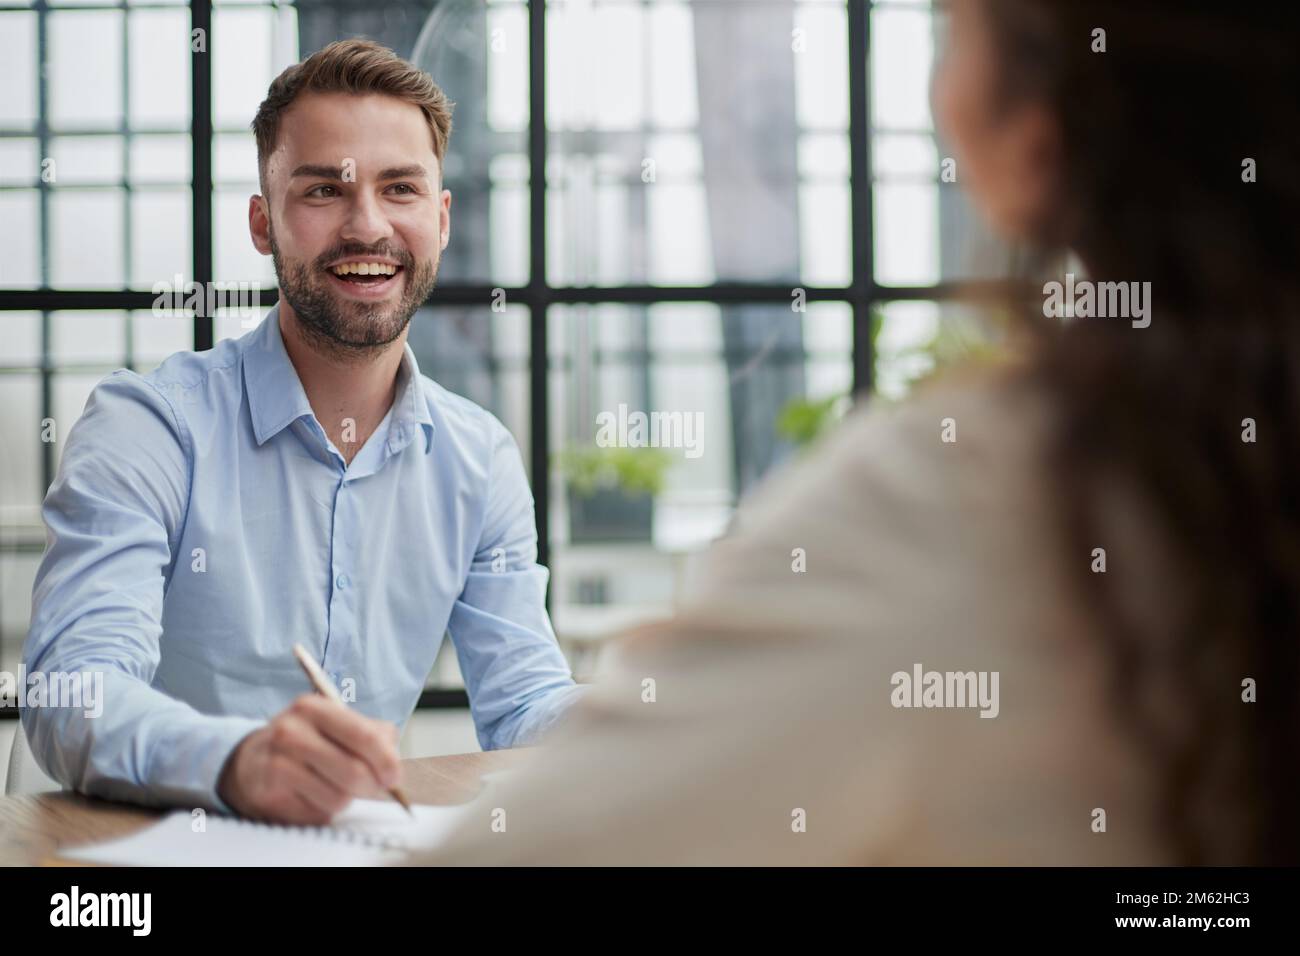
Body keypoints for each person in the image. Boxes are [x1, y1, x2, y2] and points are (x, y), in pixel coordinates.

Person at [415, 0, 1300, 865]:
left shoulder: (968, 495)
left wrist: (677, 704)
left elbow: (548, 843)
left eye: (952, 37)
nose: (937, 93)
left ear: (1034, 141)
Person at [22, 40, 583, 823]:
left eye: (401, 189)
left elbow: (524, 700)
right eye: (324, 190)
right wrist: (239, 762)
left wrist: (639, 734)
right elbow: (71, 691)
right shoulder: (148, 428)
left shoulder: (478, 456)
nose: (368, 226)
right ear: (264, 222)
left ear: (442, 218)